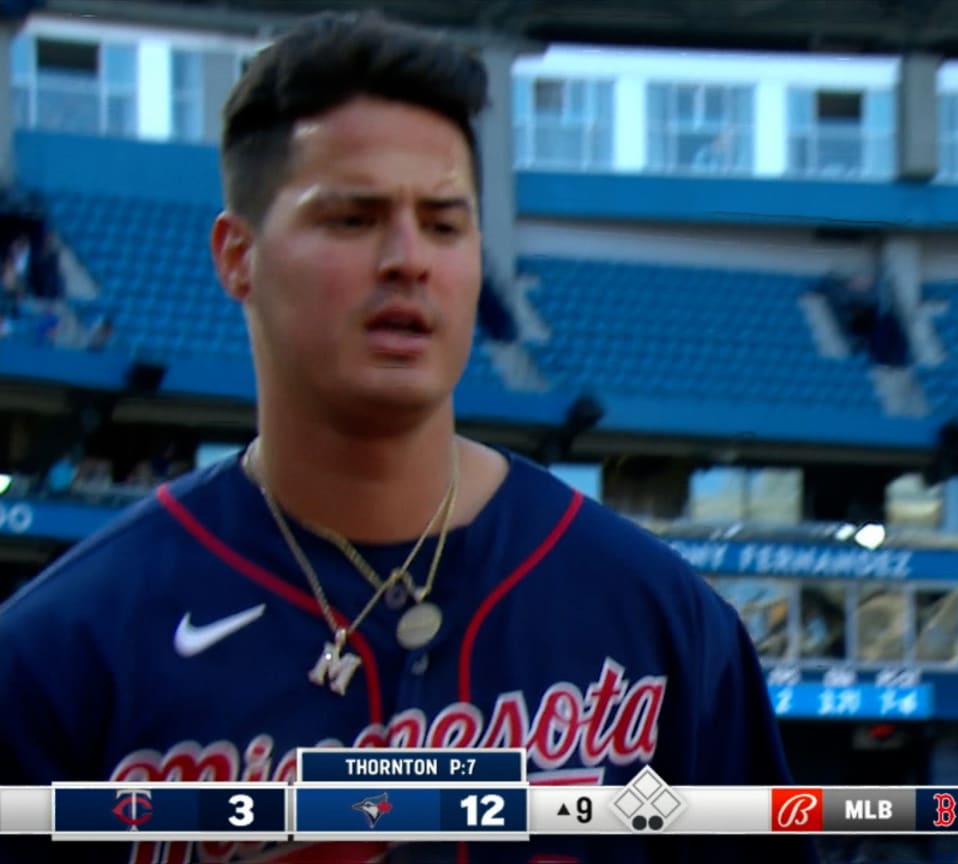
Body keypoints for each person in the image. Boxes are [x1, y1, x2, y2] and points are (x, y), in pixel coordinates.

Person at [0, 12, 816, 864]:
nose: (408, 259)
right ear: (237, 255)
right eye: (353, 219)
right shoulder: (60, 654)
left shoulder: (664, 623)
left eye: (443, 222)